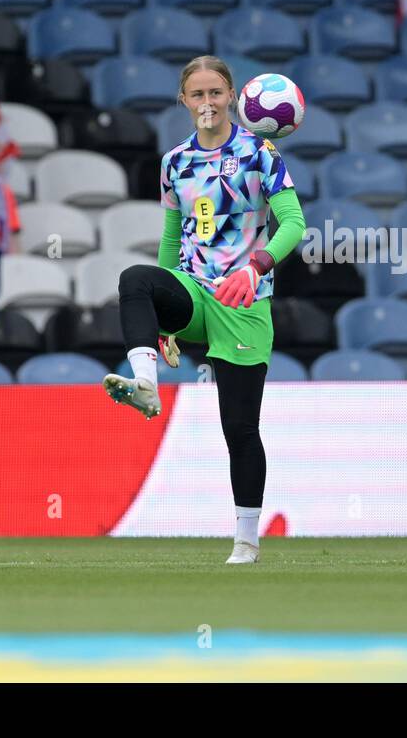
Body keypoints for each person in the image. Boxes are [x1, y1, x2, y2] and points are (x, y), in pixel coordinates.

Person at [103, 56, 307, 565]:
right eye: (198, 94)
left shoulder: (261, 153)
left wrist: (255, 267)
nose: (208, 103)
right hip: (194, 292)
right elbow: (172, 236)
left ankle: (246, 539)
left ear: (232, 96)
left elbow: (294, 226)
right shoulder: (175, 162)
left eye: (216, 93)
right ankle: (146, 383)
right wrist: (163, 314)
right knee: (135, 279)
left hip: (243, 301)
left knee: (239, 429)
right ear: (184, 100)